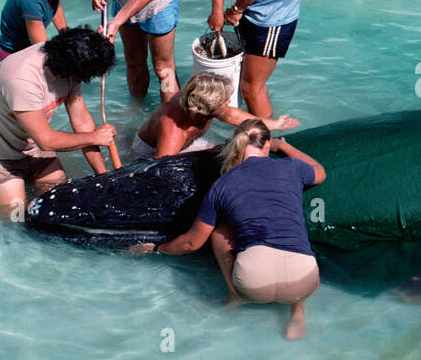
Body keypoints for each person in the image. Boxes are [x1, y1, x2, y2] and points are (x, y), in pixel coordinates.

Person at [137, 118, 324, 340]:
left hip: (253, 284)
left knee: (219, 231)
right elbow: (319, 172)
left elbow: (191, 243)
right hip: (304, 282)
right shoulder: (291, 167)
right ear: (267, 144)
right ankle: (297, 312)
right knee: (291, 228)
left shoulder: (222, 185)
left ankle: (237, 294)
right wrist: (284, 146)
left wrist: (158, 248)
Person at [0, 27, 117, 220]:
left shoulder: (71, 57)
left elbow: (81, 120)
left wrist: (102, 174)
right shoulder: (21, 78)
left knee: (58, 203)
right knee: (17, 218)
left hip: (33, 146)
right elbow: (46, 141)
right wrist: (95, 137)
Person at [131, 72, 300, 159]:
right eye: (224, 101)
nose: (228, 102)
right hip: (152, 153)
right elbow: (160, 169)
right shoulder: (173, 131)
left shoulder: (197, 101)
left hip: (184, 144)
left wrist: (274, 124)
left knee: (221, 153)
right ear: (208, 109)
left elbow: (231, 115)